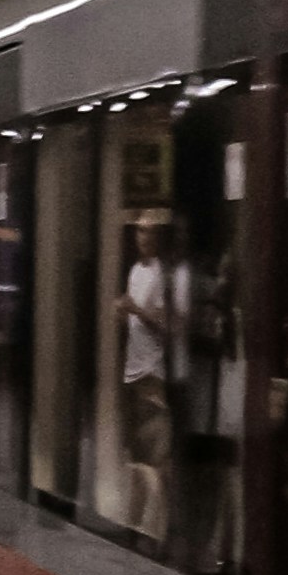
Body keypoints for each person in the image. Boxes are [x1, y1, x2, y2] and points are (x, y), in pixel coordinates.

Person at [116, 213, 173, 539]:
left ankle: (161, 527)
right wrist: (126, 313)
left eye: (149, 232)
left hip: (154, 371)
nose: (143, 237)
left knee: (157, 453)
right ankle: (135, 522)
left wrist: (135, 310)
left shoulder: (162, 275)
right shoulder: (135, 271)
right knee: (136, 452)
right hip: (133, 371)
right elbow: (135, 323)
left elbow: (165, 323)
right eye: (139, 231)